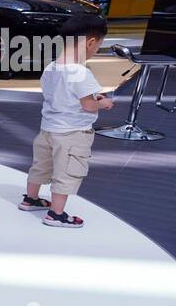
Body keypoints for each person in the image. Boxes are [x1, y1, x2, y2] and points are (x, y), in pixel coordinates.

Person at [20, 13, 114, 229]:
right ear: (90, 43)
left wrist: (90, 97)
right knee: (67, 172)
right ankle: (56, 214)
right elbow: (88, 105)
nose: (96, 50)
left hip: (47, 129)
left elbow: (62, 93)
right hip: (72, 133)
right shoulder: (81, 72)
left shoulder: (52, 67)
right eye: (98, 46)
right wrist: (104, 102)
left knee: (40, 166)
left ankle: (30, 199)